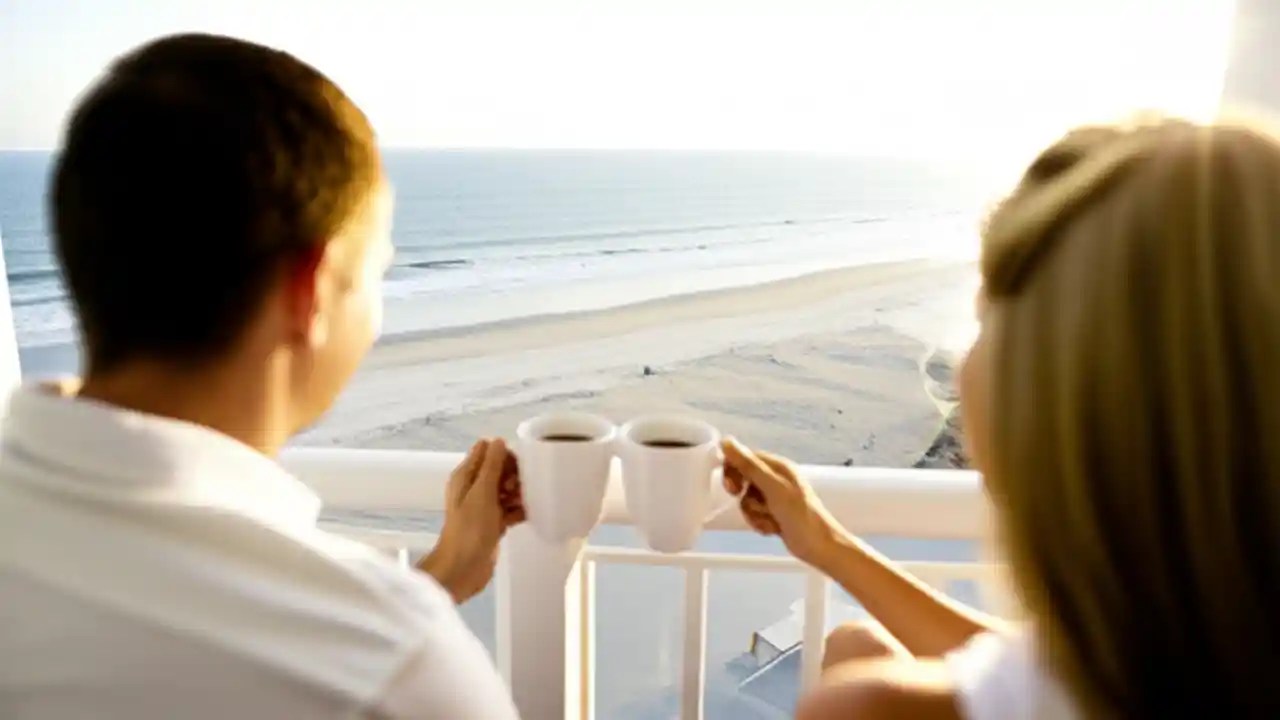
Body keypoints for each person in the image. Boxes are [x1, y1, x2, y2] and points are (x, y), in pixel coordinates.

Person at [0, 34, 524, 719]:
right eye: (375, 272)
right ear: (310, 290)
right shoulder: (399, 672)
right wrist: (404, 619)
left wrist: (439, 577)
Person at [722, 118, 1280, 719]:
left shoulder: (871, 709)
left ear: (1056, 393)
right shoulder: (1209, 639)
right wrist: (824, 542)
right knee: (855, 641)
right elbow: (1044, 669)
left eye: (987, 322)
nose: (966, 364)